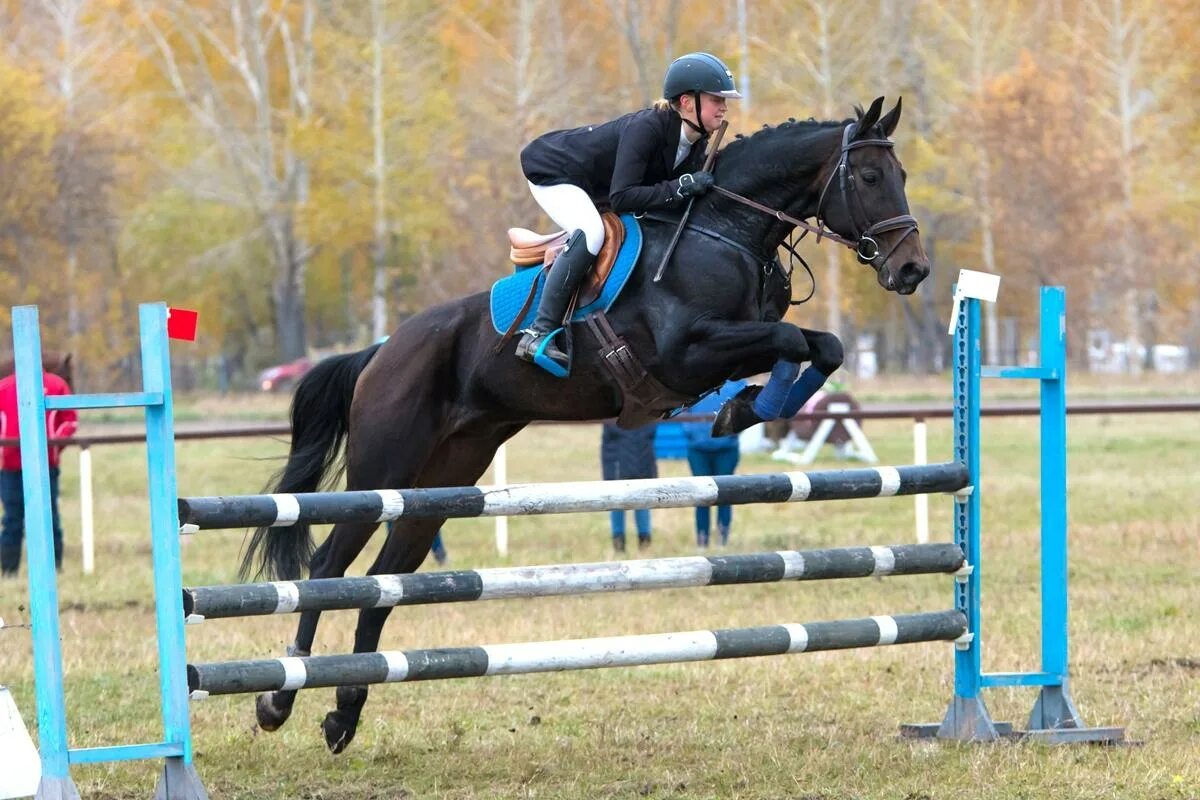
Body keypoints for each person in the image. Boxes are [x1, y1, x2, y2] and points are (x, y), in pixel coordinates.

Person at [515, 52, 742, 375]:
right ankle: (537, 333)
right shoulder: (647, 128)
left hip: (595, 185)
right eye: (716, 98)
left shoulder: (693, 141)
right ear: (687, 102)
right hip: (554, 172)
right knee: (591, 232)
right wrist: (681, 186)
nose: (724, 106)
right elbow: (623, 197)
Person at [0, 370, 78, 576]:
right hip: (11, 467)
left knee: (48, 516)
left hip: (45, 466)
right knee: (12, 519)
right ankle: (9, 571)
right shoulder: (4, 387)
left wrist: (52, 446)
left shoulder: (57, 385)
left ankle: (54, 568)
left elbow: (70, 421)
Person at [682, 380, 745, 548]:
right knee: (701, 495)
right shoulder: (695, 379)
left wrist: (732, 433)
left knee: (724, 494)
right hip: (698, 449)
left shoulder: (738, 384)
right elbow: (682, 409)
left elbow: (745, 411)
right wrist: (692, 433)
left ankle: (722, 540)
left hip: (726, 449)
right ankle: (702, 541)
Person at [600, 421, 658, 553]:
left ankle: (642, 544)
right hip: (622, 465)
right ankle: (622, 545)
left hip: (633, 463)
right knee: (618, 504)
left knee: (641, 503)